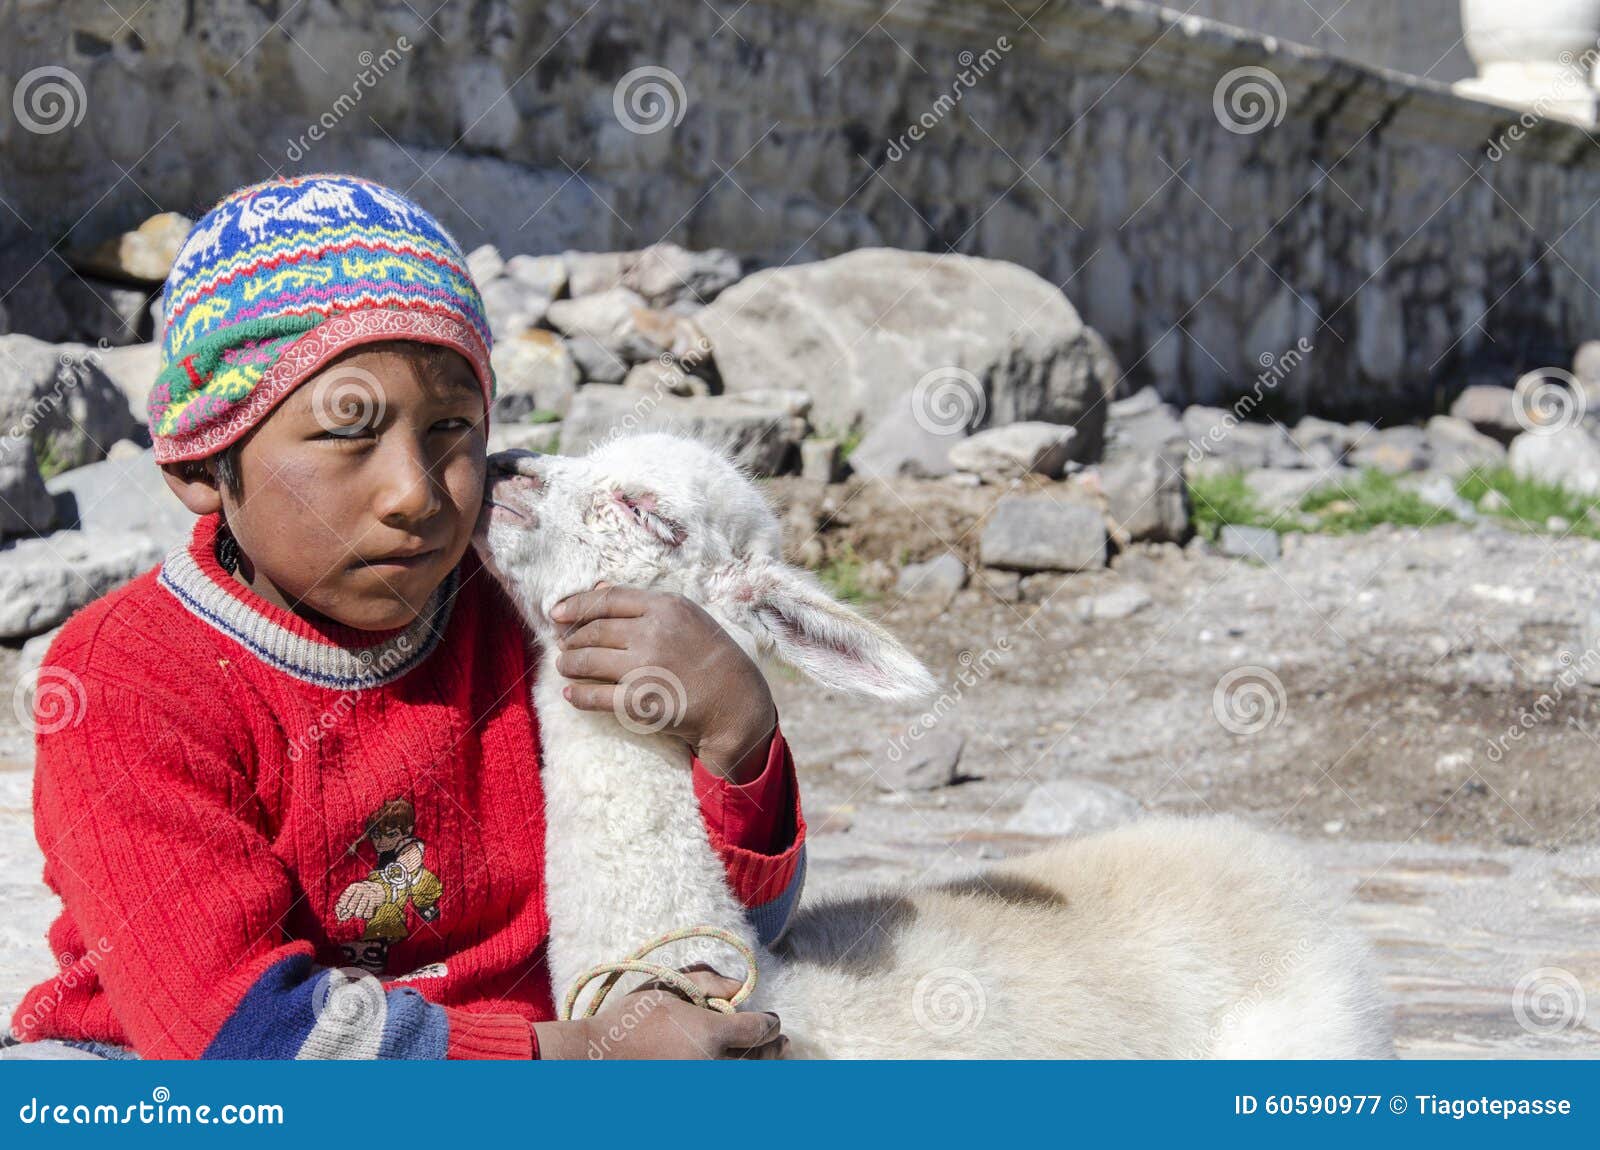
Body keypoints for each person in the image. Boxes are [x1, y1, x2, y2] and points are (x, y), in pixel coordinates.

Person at [2, 173, 804, 1060]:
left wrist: (738, 737)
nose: (414, 494)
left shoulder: (524, 615)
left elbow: (736, 928)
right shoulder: (129, 678)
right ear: (202, 463)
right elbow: (236, 1041)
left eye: (451, 426)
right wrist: (580, 1054)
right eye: (348, 430)